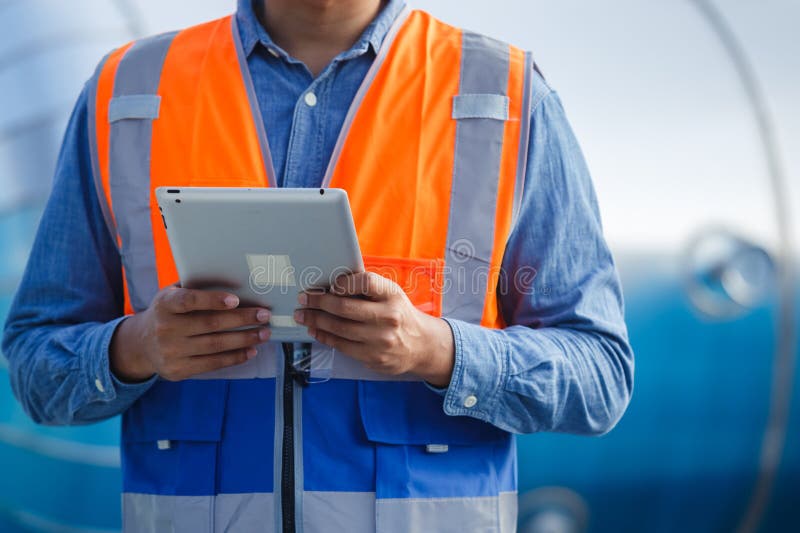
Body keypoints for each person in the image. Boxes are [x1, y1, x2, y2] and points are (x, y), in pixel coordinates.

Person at [2, 0, 634, 531]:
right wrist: (137, 347)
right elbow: (35, 365)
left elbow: (600, 379)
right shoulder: (130, 89)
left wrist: (438, 351)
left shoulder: (505, 93)